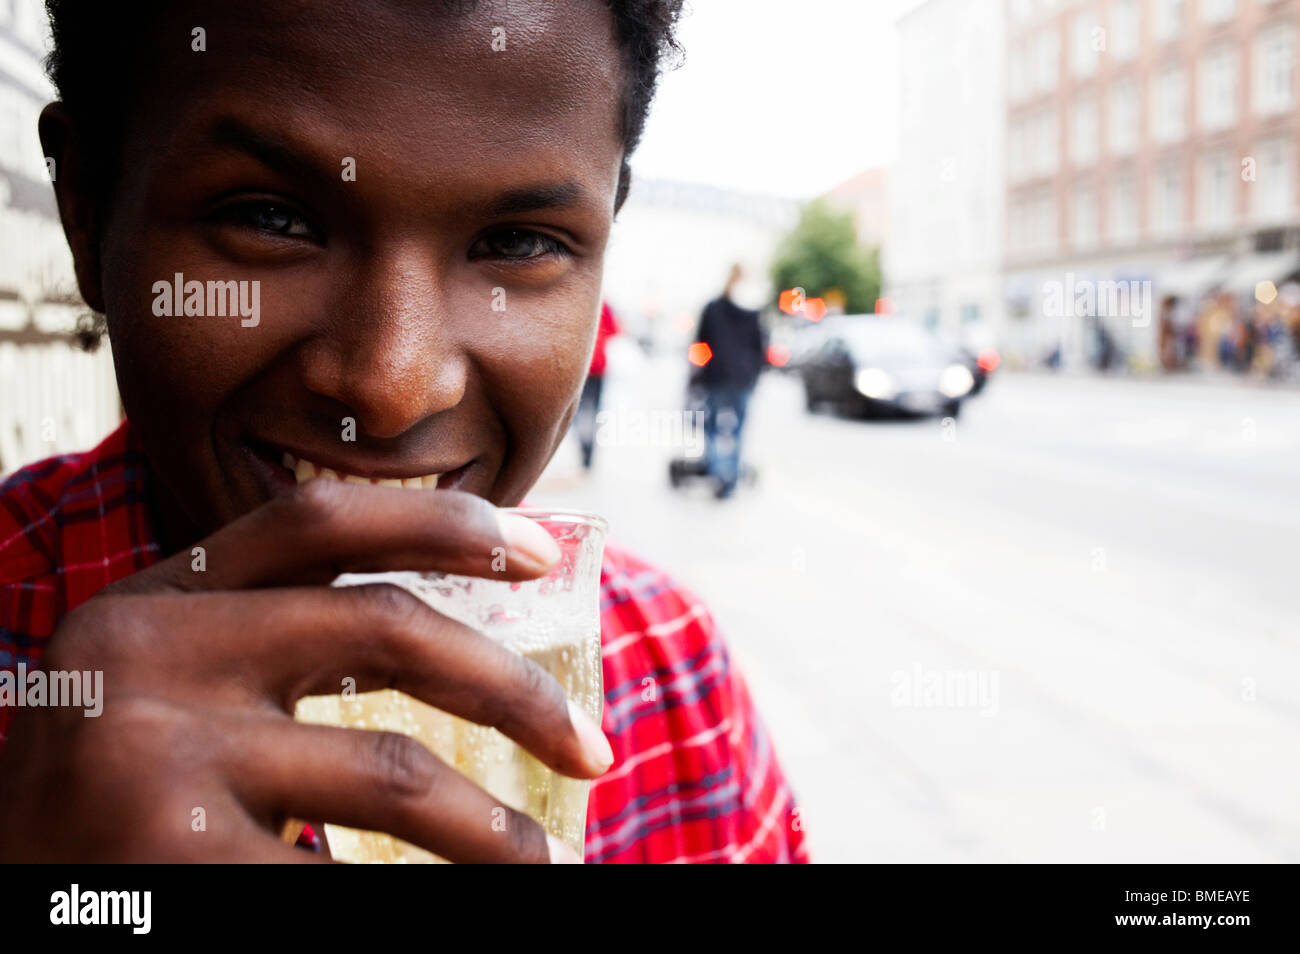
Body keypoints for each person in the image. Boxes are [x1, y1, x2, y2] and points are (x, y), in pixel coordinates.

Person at [0, 1, 806, 864]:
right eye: (271, 219)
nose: (393, 389)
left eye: (519, 241)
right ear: (86, 213)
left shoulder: (674, 678)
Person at [691, 265, 766, 499]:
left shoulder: (712, 308)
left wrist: (699, 374)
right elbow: (760, 349)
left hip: (716, 376)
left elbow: (701, 345)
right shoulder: (752, 312)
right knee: (737, 429)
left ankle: (718, 472)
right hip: (743, 379)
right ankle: (730, 476)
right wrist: (753, 374)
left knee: (712, 427)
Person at [572, 301, 619, 470]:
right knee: (594, 410)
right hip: (598, 366)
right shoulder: (603, 303)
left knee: (577, 411)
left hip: (578, 366)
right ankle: (589, 449)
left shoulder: (574, 300)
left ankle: (583, 442)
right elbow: (615, 331)